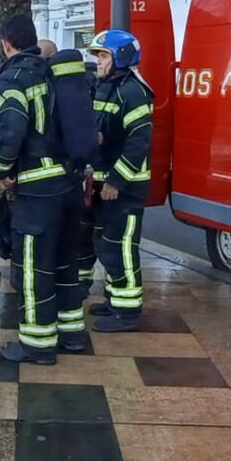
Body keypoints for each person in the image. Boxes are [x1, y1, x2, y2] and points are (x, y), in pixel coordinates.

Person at [0, 15, 72, 364]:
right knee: (65, 263)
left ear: (7, 43)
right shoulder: (54, 71)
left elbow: (11, 129)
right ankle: (72, 333)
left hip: (36, 190)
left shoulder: (15, 77)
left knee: (33, 268)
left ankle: (37, 345)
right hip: (67, 183)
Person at [86, 29, 155, 333]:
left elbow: (139, 142)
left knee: (122, 247)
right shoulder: (108, 86)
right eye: (98, 56)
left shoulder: (132, 91)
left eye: (103, 56)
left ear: (121, 58)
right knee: (106, 244)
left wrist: (116, 181)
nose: (98, 62)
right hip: (105, 184)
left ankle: (127, 312)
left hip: (125, 187)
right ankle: (116, 301)